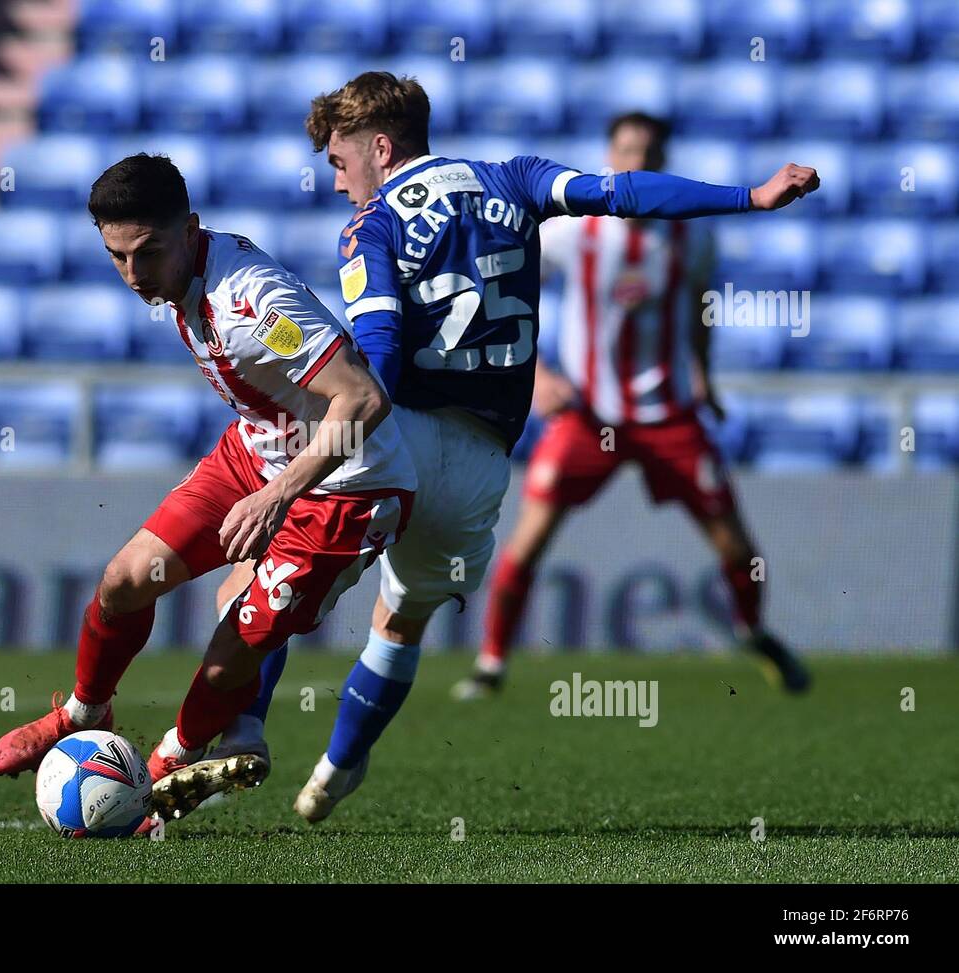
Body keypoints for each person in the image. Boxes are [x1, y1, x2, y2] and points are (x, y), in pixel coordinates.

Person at [206, 72, 819, 823]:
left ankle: (246, 727)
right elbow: (623, 194)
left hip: (403, 435)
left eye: (339, 163)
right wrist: (749, 197)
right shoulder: (517, 179)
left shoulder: (371, 228)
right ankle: (337, 765)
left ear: (380, 147)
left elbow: (382, 363)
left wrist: (305, 462)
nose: (337, 183)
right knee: (401, 623)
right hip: (483, 461)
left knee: (275, 580)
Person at [0, 153, 417, 824]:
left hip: (347, 490)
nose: (132, 274)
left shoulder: (254, 302)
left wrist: (278, 497)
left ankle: (162, 769)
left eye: (146, 253)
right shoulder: (180, 279)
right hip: (256, 450)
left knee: (231, 650)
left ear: (189, 229)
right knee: (126, 579)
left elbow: (362, 399)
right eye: (116, 257)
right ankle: (81, 713)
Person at [453, 112, 810, 701]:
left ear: (662, 161)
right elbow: (499, 287)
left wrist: (703, 377)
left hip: (669, 413)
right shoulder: (574, 230)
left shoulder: (693, 233)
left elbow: (697, 307)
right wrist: (538, 374)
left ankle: (752, 633)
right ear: (611, 155)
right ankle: (491, 663)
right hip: (589, 415)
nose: (636, 163)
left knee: (738, 549)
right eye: (626, 151)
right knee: (529, 540)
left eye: (648, 154)